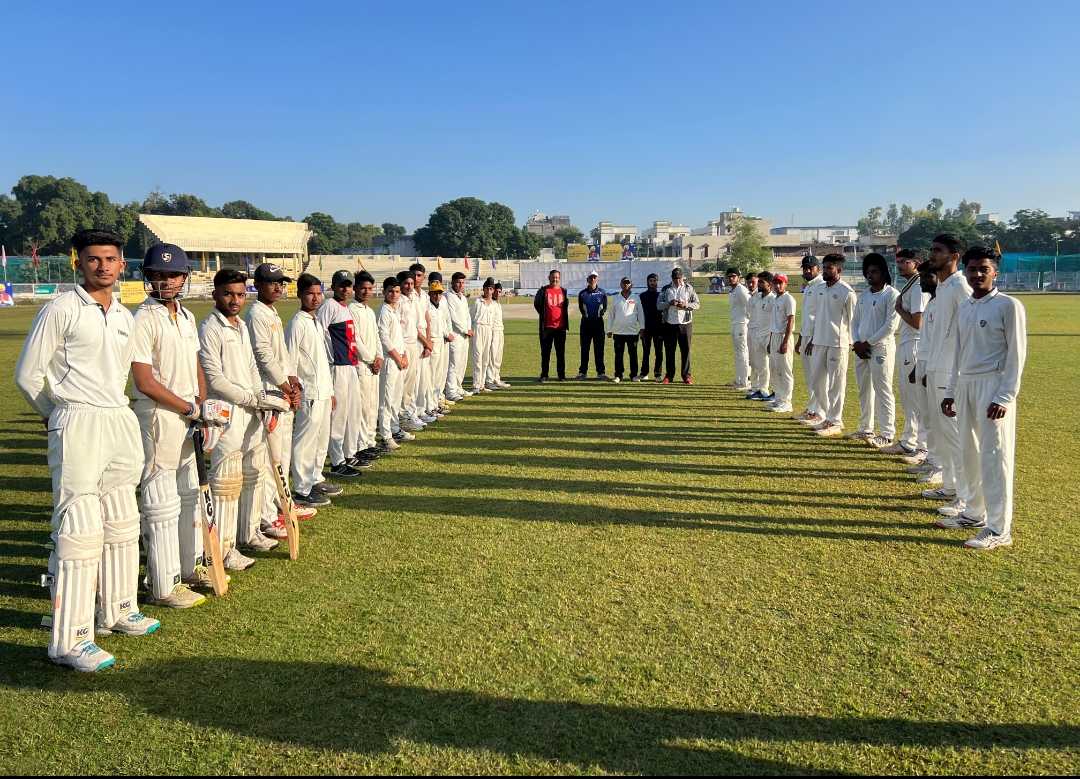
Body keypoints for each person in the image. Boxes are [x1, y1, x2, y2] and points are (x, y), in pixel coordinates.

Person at [16, 229, 159, 671]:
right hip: (77, 417)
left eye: (111, 259)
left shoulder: (123, 314)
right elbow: (27, 375)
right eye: (94, 259)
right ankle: (70, 640)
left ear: (122, 264)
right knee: (79, 527)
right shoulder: (61, 308)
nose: (103, 266)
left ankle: (118, 609)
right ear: (79, 262)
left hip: (117, 417)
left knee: (121, 517)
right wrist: (54, 415)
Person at [130, 243, 212, 609]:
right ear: (148, 277)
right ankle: (162, 584)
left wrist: (202, 406)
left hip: (189, 412)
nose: (166, 282)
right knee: (161, 501)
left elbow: (196, 367)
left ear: (184, 278)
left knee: (190, 494)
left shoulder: (187, 316)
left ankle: (188, 567)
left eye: (173, 275)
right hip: (160, 416)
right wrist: (186, 407)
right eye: (158, 275)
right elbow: (144, 381)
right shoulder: (143, 318)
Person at [200, 269, 292, 570]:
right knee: (226, 482)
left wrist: (260, 400)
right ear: (216, 293)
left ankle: (249, 533)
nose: (234, 300)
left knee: (254, 472)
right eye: (228, 293)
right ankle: (224, 549)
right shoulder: (210, 327)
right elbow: (215, 378)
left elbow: (253, 368)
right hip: (227, 412)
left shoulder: (240, 325)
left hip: (252, 410)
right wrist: (253, 399)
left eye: (240, 294)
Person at [940, 247, 1026, 549]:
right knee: (969, 452)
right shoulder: (965, 307)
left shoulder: (1008, 306)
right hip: (965, 384)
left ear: (995, 272)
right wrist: (951, 391)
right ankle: (974, 513)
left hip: (993, 386)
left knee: (995, 457)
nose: (977, 274)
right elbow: (958, 354)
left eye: (983, 269)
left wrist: (1004, 396)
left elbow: (1017, 354)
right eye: (972, 269)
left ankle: (999, 529)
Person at [247, 263, 305, 538]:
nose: (278, 287)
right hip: (270, 392)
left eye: (281, 282)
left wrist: (293, 380)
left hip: (282, 390)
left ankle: (281, 505)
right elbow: (263, 355)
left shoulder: (271, 312)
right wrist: (285, 384)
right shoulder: (257, 313)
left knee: (281, 453)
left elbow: (282, 355)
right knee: (272, 457)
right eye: (272, 282)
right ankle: (268, 517)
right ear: (257, 285)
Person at [920, 234, 975, 515]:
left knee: (955, 434)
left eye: (938, 251)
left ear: (954, 256)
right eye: (932, 250)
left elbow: (970, 330)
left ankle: (965, 498)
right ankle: (951, 486)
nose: (933, 255)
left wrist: (957, 372)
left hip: (951, 370)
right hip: (936, 367)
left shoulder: (959, 287)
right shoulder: (942, 288)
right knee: (943, 432)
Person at [285, 273, 337, 507]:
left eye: (319, 293)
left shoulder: (315, 321)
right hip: (309, 391)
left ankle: (315, 477)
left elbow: (321, 360)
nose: (316, 298)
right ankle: (302, 488)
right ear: (300, 295)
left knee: (320, 438)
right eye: (310, 294)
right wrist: (295, 390)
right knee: (305, 440)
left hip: (324, 390)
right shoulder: (297, 323)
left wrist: (331, 391)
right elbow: (291, 361)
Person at [882, 249, 930, 458]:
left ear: (916, 263)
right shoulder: (910, 284)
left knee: (917, 398)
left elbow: (918, 322)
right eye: (898, 261)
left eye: (905, 262)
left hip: (915, 344)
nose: (900, 265)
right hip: (907, 342)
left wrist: (899, 309)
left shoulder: (919, 285)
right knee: (908, 397)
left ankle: (922, 446)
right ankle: (909, 440)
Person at [849, 253, 900, 447]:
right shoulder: (864, 295)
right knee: (864, 390)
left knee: (883, 390)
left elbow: (890, 326)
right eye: (868, 272)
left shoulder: (891, 294)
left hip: (880, 349)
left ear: (883, 272)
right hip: (861, 349)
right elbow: (855, 322)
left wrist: (867, 343)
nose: (870, 275)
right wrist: (856, 342)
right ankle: (865, 428)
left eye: (875, 271)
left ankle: (887, 433)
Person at [316, 270, 362, 479]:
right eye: (341, 285)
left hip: (350, 365)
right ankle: (337, 460)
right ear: (333, 286)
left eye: (348, 285)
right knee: (338, 415)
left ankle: (347, 453)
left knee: (352, 413)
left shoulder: (345, 308)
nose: (345, 289)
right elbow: (320, 335)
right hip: (338, 366)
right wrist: (328, 362)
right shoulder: (329, 306)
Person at [806, 254, 856, 437]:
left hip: (838, 344)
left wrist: (852, 342)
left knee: (836, 384)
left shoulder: (847, 292)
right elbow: (819, 316)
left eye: (829, 268)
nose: (826, 271)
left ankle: (835, 421)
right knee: (816, 381)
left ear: (839, 270)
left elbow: (853, 321)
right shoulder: (820, 289)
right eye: (824, 267)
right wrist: (813, 338)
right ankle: (826, 416)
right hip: (819, 341)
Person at [348, 270, 384, 462]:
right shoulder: (351, 309)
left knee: (372, 405)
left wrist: (379, 356)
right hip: (362, 365)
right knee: (362, 407)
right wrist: (371, 359)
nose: (366, 292)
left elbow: (377, 336)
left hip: (373, 365)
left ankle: (370, 441)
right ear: (355, 289)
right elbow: (355, 340)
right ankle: (361, 445)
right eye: (363, 288)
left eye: (370, 288)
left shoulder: (369, 311)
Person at [377, 276, 409, 450]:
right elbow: (384, 338)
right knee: (386, 400)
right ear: (384, 292)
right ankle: (385, 435)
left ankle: (395, 428)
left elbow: (399, 338)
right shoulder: (383, 311)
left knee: (396, 398)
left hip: (398, 359)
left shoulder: (394, 310)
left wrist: (404, 356)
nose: (394, 294)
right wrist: (398, 357)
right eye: (391, 291)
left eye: (397, 291)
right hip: (390, 360)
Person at [794, 255, 825, 425]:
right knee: (810, 376)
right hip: (806, 335)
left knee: (818, 376)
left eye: (810, 268)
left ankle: (819, 412)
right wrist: (800, 339)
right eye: (805, 268)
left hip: (816, 338)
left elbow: (821, 316)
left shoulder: (821, 286)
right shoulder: (809, 287)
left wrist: (814, 338)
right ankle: (812, 408)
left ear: (817, 269)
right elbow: (807, 317)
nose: (806, 271)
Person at [657, 267, 699, 384]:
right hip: (669, 323)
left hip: (685, 324)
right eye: (675, 279)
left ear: (682, 277)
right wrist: (669, 303)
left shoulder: (688, 288)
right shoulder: (666, 289)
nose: (677, 281)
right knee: (670, 351)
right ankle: (669, 376)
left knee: (685, 350)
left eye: (679, 278)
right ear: (672, 278)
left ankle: (686, 376)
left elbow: (697, 304)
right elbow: (659, 305)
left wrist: (686, 305)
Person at [395, 270, 425, 431]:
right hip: (403, 346)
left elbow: (417, 325)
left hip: (413, 344)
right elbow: (398, 329)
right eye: (406, 283)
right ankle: (401, 417)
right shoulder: (398, 301)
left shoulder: (413, 300)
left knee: (411, 383)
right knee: (402, 384)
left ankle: (408, 413)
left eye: (412, 283)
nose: (409, 286)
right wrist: (402, 351)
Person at [409, 263, 437, 423]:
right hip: (413, 339)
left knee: (423, 379)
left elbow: (427, 318)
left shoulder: (424, 296)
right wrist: (425, 341)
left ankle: (420, 410)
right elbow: (412, 324)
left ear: (424, 277)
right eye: (413, 275)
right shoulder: (408, 295)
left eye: (419, 275)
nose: (416, 278)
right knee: (413, 379)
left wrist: (429, 340)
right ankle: (410, 414)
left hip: (424, 339)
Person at [765, 273, 796, 413]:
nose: (777, 285)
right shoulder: (776, 299)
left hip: (784, 337)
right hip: (774, 336)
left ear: (785, 284)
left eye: (780, 283)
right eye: (775, 283)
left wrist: (785, 342)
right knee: (775, 369)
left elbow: (791, 321)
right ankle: (778, 399)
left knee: (785, 370)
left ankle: (786, 402)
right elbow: (773, 322)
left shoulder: (789, 299)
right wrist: (770, 340)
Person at [606, 276, 645, 383]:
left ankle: (633, 375)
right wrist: (609, 329)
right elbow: (611, 315)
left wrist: (642, 328)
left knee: (633, 355)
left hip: (632, 332)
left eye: (628, 283)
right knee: (618, 355)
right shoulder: (615, 298)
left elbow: (641, 314)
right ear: (620, 284)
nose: (626, 285)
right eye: (624, 283)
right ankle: (618, 375)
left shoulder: (636, 298)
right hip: (618, 332)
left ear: (631, 285)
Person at [533, 269, 569, 382]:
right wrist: (544, 315)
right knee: (545, 353)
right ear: (549, 278)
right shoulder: (543, 291)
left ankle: (561, 375)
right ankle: (544, 375)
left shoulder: (563, 291)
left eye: (557, 277)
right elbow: (537, 304)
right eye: (553, 277)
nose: (555, 279)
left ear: (560, 278)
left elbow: (565, 306)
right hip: (547, 328)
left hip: (560, 327)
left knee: (560, 353)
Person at [425, 272, 454, 412]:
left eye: (439, 293)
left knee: (441, 373)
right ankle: (430, 405)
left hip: (443, 342)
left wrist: (448, 333)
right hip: (433, 342)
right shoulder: (426, 305)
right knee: (432, 375)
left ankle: (437, 401)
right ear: (430, 293)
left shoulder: (442, 303)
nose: (437, 296)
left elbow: (446, 320)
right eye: (434, 293)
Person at [746, 271, 774, 401]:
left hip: (768, 336)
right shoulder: (757, 297)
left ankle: (764, 390)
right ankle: (757, 388)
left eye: (762, 282)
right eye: (760, 281)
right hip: (757, 334)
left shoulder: (773, 299)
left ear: (770, 284)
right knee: (757, 363)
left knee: (766, 365)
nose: (759, 284)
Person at [444, 272, 472, 400]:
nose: (461, 285)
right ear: (452, 283)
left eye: (462, 282)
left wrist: (469, 329)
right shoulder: (448, 296)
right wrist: (465, 330)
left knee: (462, 362)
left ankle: (458, 387)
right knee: (453, 364)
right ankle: (450, 391)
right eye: (458, 282)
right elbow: (453, 317)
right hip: (455, 335)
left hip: (465, 336)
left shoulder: (463, 298)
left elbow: (467, 316)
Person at [576, 271, 608, 379]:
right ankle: (582, 372)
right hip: (586, 325)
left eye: (594, 277)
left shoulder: (602, 293)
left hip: (599, 325)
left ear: (597, 279)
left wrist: (601, 312)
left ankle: (601, 373)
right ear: (587, 280)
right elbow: (581, 309)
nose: (592, 279)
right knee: (585, 350)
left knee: (599, 350)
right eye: (591, 277)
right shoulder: (582, 294)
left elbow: (605, 307)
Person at [471, 277, 498, 392]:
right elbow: (471, 316)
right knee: (477, 357)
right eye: (486, 288)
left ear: (493, 290)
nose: (488, 291)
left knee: (485, 358)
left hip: (488, 330)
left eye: (491, 289)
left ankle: (482, 384)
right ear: (483, 289)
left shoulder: (494, 304)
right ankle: (476, 385)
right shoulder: (478, 302)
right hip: (478, 328)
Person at [725, 268, 751, 391]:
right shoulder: (733, 290)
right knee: (738, 353)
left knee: (743, 353)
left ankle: (745, 382)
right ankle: (739, 379)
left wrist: (748, 321)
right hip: (735, 323)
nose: (731, 278)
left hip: (742, 324)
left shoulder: (741, 290)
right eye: (729, 276)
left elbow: (750, 306)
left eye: (733, 276)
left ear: (739, 277)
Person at [637, 273, 664, 381]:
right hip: (646, 328)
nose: (653, 283)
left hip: (659, 328)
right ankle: (644, 373)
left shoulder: (661, 295)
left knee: (659, 352)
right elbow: (639, 313)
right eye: (651, 281)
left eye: (654, 281)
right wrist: (641, 328)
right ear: (647, 282)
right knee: (646, 351)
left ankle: (658, 374)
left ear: (657, 282)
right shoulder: (642, 296)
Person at [485, 282, 511, 389]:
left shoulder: (498, 304)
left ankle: (496, 378)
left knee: (498, 357)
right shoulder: (490, 303)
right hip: (493, 332)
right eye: (496, 291)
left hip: (500, 331)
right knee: (492, 357)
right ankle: (489, 380)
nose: (497, 293)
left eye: (500, 292)